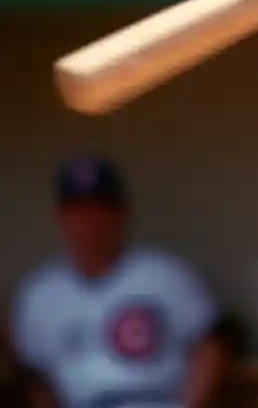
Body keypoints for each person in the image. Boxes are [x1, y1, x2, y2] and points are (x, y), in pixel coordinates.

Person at [8, 154, 226, 408]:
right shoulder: (39, 293)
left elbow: (216, 339)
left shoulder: (164, 274)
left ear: (123, 212)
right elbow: (32, 377)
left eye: (100, 209)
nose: (90, 222)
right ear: (61, 217)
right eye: (79, 211)